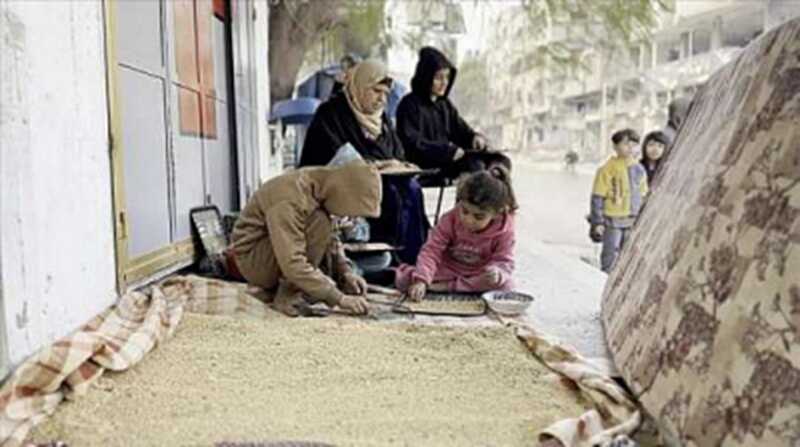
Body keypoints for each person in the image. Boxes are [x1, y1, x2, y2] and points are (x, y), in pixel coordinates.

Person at [298, 59, 428, 264]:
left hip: (379, 183)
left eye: (385, 94)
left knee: (412, 188)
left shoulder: (381, 120)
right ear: (360, 87)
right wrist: (378, 166)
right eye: (376, 91)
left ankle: (414, 260)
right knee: (391, 194)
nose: (382, 99)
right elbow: (333, 159)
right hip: (341, 188)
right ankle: (390, 259)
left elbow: (397, 154)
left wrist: (400, 166)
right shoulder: (332, 114)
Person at [228, 162, 381, 317]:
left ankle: (297, 286)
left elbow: (332, 239)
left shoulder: (320, 186)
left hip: (274, 252)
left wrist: (346, 272)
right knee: (320, 223)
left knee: (322, 223)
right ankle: (288, 295)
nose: (352, 218)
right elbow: (292, 261)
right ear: (344, 194)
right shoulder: (290, 198)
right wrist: (339, 299)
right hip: (254, 260)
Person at [394, 166, 517, 300]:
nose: (469, 220)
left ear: (496, 213)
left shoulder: (505, 230)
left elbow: (504, 261)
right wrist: (422, 279)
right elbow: (432, 250)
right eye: (464, 211)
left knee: (506, 287)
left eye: (478, 217)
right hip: (448, 270)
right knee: (405, 279)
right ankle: (448, 285)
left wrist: (497, 273)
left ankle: (447, 287)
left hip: (478, 274)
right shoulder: (450, 219)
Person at [396, 46, 511, 180]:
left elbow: (461, 131)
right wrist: (446, 151)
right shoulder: (409, 104)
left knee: (501, 160)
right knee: (475, 165)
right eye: (439, 78)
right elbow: (412, 144)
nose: (444, 82)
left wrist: (474, 138)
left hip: (449, 159)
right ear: (426, 77)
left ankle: (492, 184)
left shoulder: (445, 105)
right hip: (426, 163)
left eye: (447, 77)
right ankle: (481, 194)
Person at [588, 129, 648, 273]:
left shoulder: (639, 169)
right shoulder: (607, 169)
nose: (631, 148)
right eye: (626, 144)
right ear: (615, 146)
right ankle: (604, 277)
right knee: (610, 252)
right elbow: (598, 197)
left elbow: (644, 193)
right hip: (612, 219)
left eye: (634, 144)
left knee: (628, 253)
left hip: (632, 218)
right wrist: (598, 221)